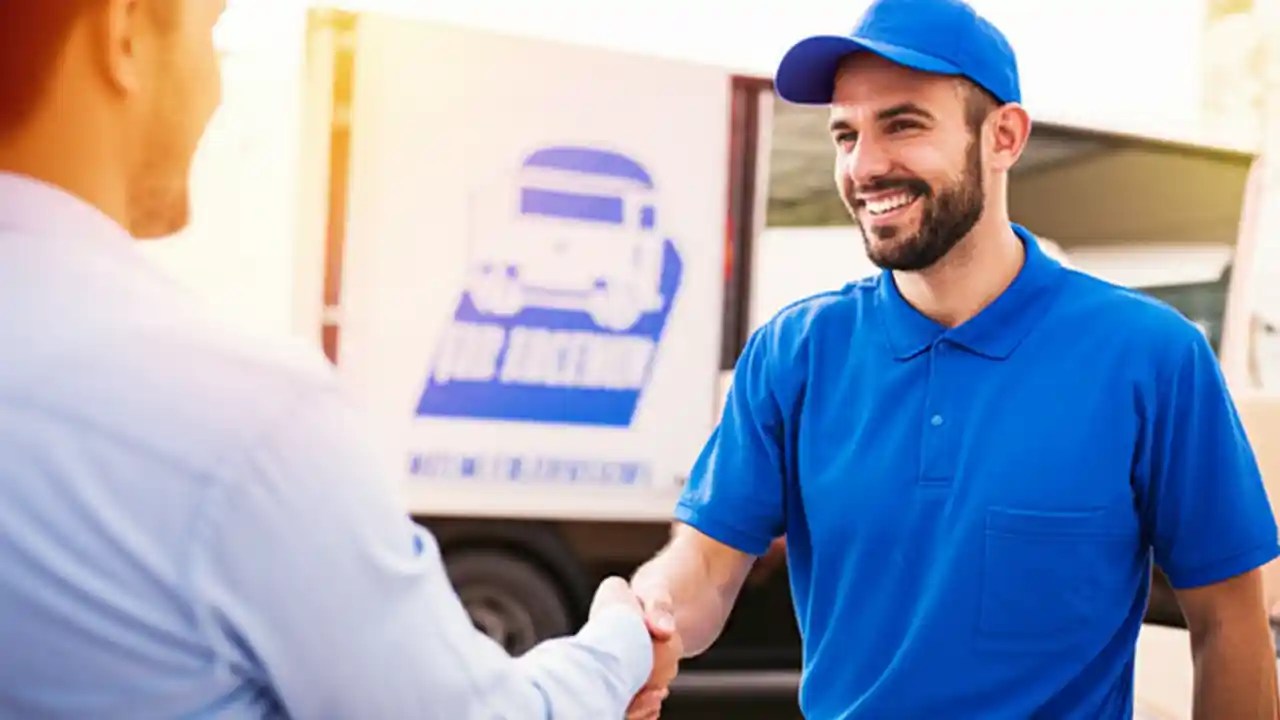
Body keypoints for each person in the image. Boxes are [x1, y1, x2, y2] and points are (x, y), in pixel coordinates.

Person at [0, 2, 673, 717]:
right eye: (211, 31)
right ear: (124, 32)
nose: (217, 90)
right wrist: (619, 646)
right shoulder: (244, 420)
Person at [625, 0, 1280, 717]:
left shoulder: (1151, 358)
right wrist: (641, 620)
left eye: (902, 124)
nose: (865, 166)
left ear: (1004, 136)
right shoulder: (794, 354)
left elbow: (1228, 620)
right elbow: (709, 566)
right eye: (846, 134)